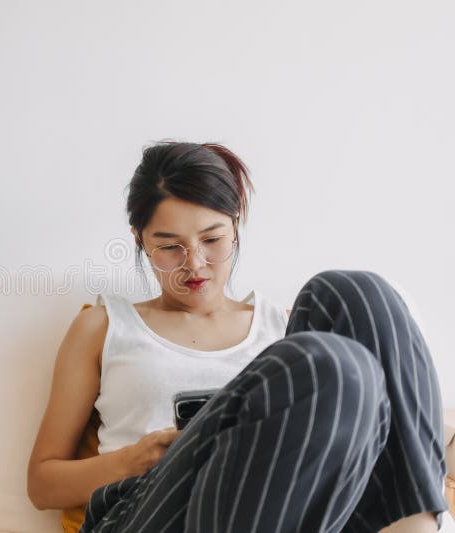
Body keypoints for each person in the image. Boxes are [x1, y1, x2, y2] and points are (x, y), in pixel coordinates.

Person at [26, 141, 450, 532]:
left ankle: (416, 519)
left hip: (276, 510)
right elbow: (42, 484)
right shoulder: (102, 326)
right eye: (169, 246)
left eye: (211, 239)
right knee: (323, 360)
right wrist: (132, 460)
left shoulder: (287, 329)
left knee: (353, 293)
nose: (194, 264)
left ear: (235, 228)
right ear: (140, 241)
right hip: (149, 509)